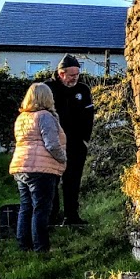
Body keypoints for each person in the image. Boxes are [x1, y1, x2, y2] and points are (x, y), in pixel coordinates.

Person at [9, 82, 68, 253]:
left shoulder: (22, 117)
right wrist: (63, 159)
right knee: (41, 209)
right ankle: (41, 248)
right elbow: (52, 144)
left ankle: (23, 245)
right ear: (47, 98)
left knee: (26, 207)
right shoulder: (45, 116)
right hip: (41, 169)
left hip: (21, 166)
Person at [48, 54, 96, 226]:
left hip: (76, 143)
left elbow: (89, 116)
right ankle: (52, 216)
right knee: (52, 180)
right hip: (53, 143)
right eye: (71, 75)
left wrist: (85, 139)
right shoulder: (49, 88)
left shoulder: (83, 90)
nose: (74, 78)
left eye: (77, 75)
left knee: (73, 180)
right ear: (61, 74)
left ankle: (71, 216)